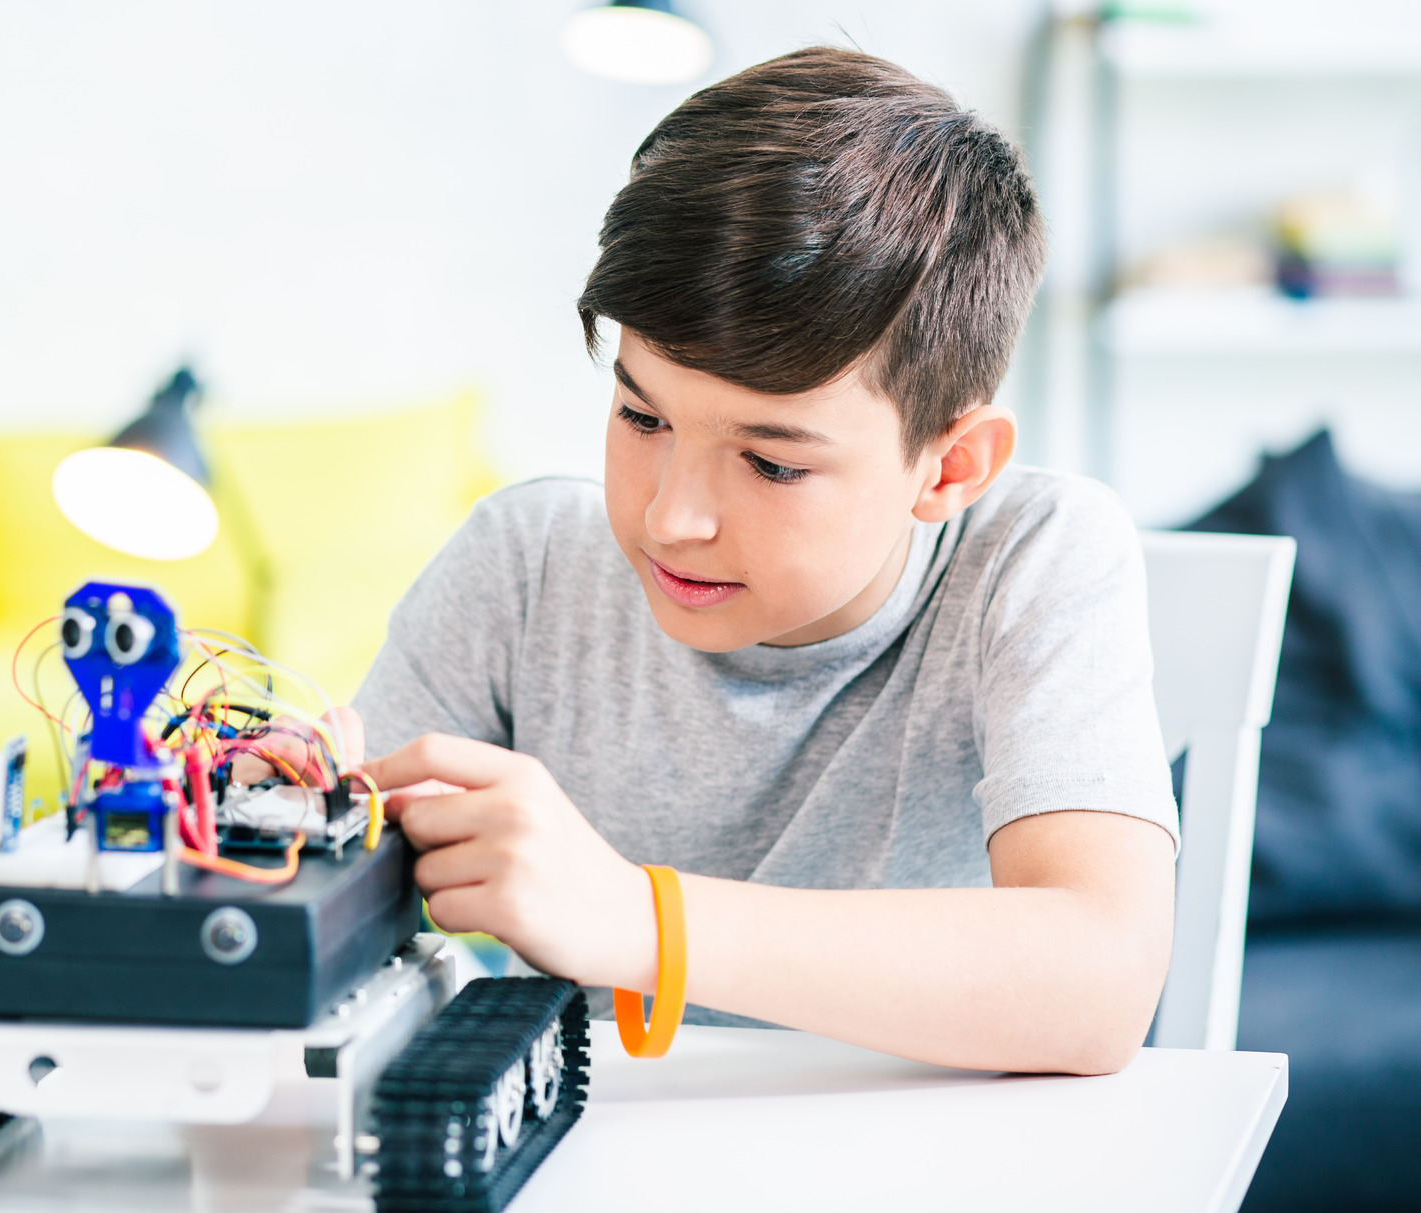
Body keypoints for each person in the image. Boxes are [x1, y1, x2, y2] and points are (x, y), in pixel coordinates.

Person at [351, 47, 1179, 1076]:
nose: (672, 516)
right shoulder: (521, 568)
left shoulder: (1033, 557)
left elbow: (1096, 981)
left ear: (947, 465)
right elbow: (322, 880)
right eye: (639, 414)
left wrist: (638, 918)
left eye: (769, 461)